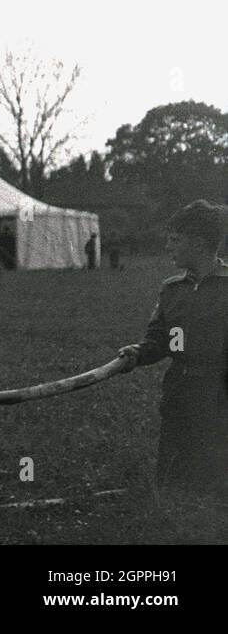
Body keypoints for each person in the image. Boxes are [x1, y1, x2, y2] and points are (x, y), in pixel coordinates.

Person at [117, 200, 228, 506]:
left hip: (219, 400)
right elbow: (159, 341)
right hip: (178, 394)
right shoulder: (172, 289)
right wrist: (138, 353)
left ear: (200, 242)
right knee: (171, 482)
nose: (168, 246)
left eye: (175, 240)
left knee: (214, 489)